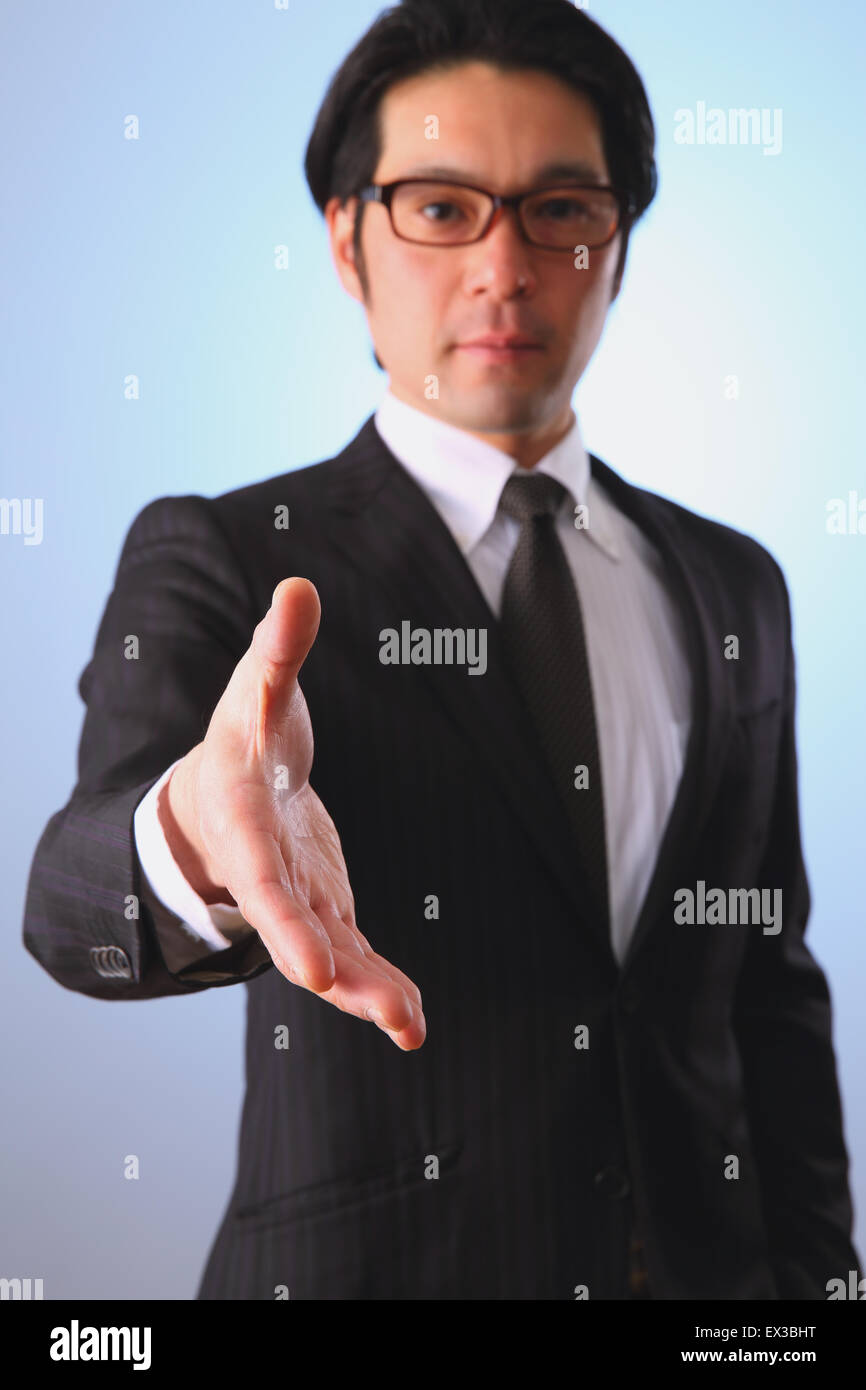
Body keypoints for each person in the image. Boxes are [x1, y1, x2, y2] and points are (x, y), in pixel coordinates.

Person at [23, 0, 859, 1300]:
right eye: (439, 206)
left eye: (562, 208)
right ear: (347, 239)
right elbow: (71, 906)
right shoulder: (230, 553)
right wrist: (192, 829)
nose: (503, 265)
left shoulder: (731, 581)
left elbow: (765, 979)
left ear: (618, 243)